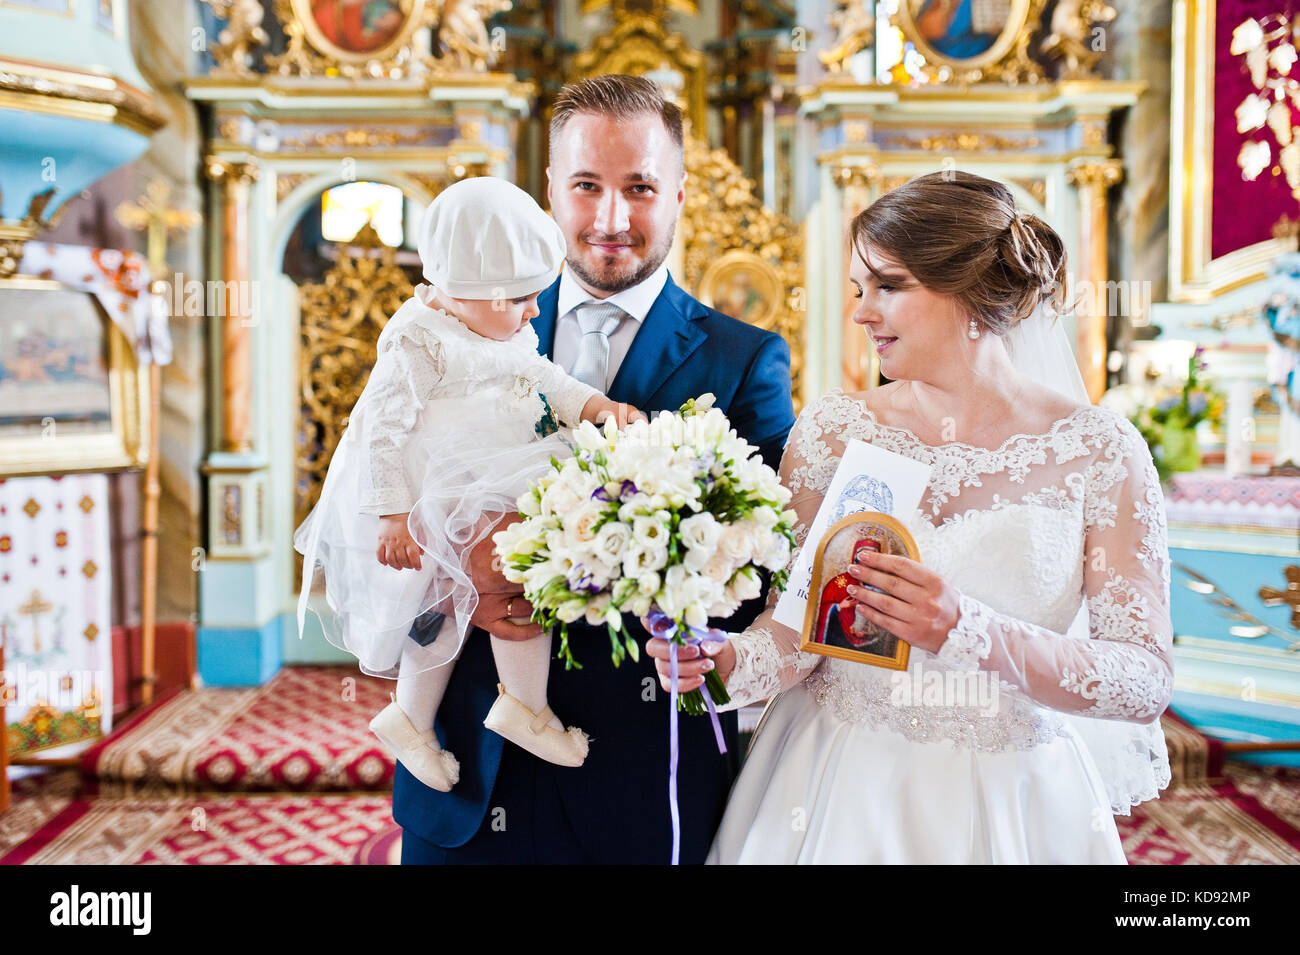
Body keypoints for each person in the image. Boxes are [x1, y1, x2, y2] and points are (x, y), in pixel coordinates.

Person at [647, 170, 1173, 864]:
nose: (861, 313)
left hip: (1010, 796)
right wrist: (723, 664)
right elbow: (798, 633)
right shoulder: (835, 430)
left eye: (887, 286)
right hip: (836, 783)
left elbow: (1142, 678)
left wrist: (969, 630)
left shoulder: (1099, 451)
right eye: (860, 288)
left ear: (972, 295)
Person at [393, 74, 796, 865]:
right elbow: (377, 485)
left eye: (640, 188)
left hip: (646, 772)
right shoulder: (449, 328)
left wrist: (567, 563)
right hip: (470, 762)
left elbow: (768, 560)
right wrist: (451, 560)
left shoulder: (745, 359)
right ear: (549, 190)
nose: (611, 219)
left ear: (680, 193)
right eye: (587, 186)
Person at [294, 177, 642, 794]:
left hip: (496, 480)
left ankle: (413, 717)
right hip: (446, 492)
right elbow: (378, 431)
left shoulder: (502, 327)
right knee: (498, 589)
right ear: (457, 292)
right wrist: (391, 516)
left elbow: (544, 377)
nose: (534, 312)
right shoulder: (418, 339)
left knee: (465, 608)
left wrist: (596, 407)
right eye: (519, 300)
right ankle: (519, 709)